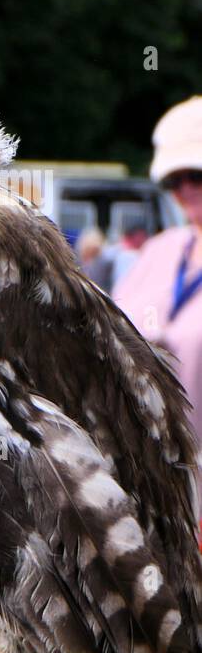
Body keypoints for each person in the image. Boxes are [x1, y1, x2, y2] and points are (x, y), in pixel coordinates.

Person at [114, 96, 202, 451]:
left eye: (196, 175)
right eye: (174, 180)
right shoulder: (159, 251)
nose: (185, 189)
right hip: (144, 474)